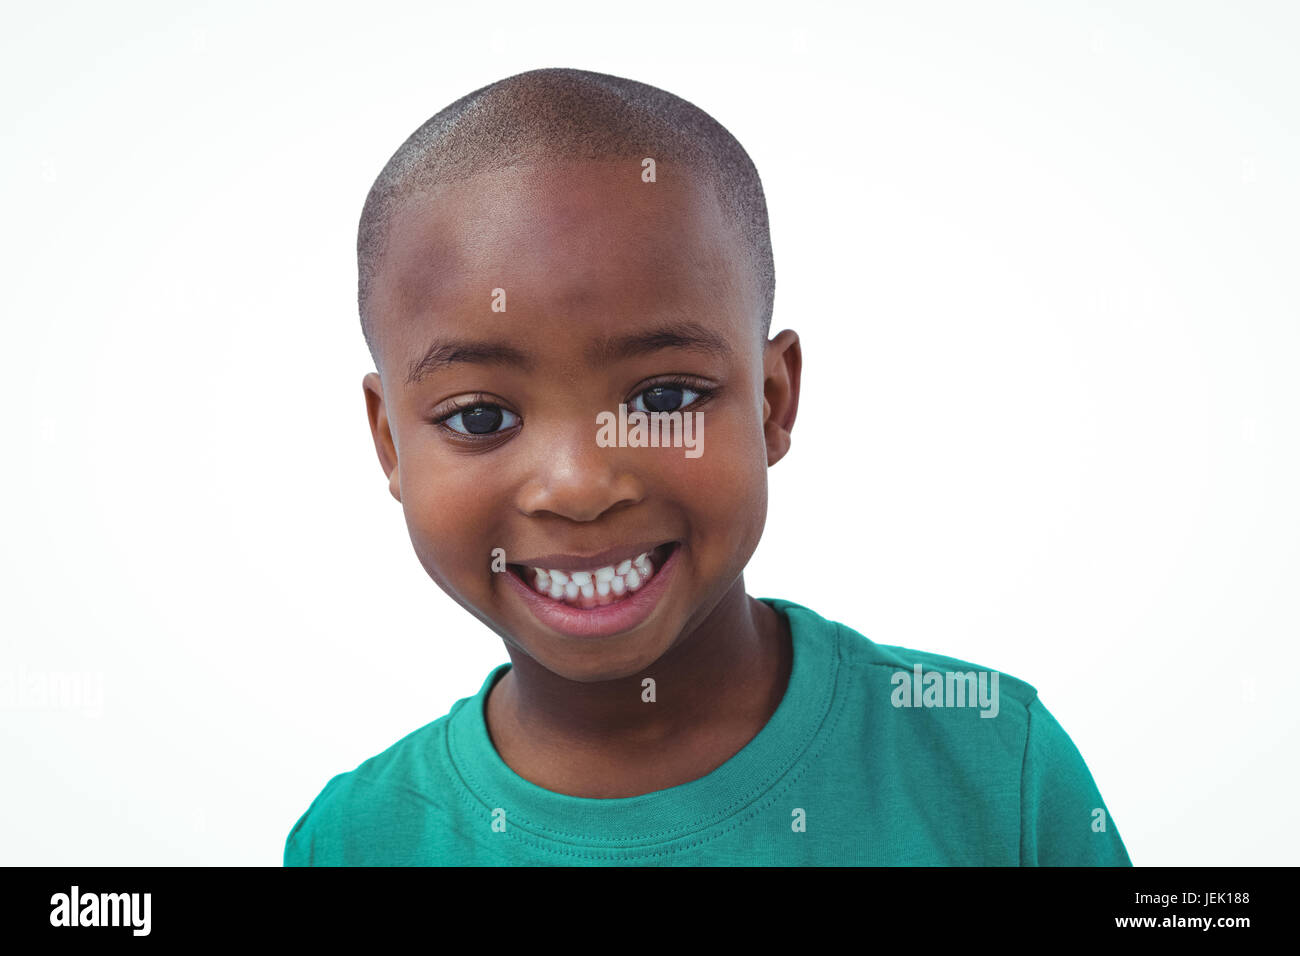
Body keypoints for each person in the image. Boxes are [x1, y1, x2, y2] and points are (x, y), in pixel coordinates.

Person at [284, 67, 1131, 865]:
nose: (580, 484)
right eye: (481, 417)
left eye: (662, 400)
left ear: (771, 402)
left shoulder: (989, 761)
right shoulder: (356, 841)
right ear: (390, 444)